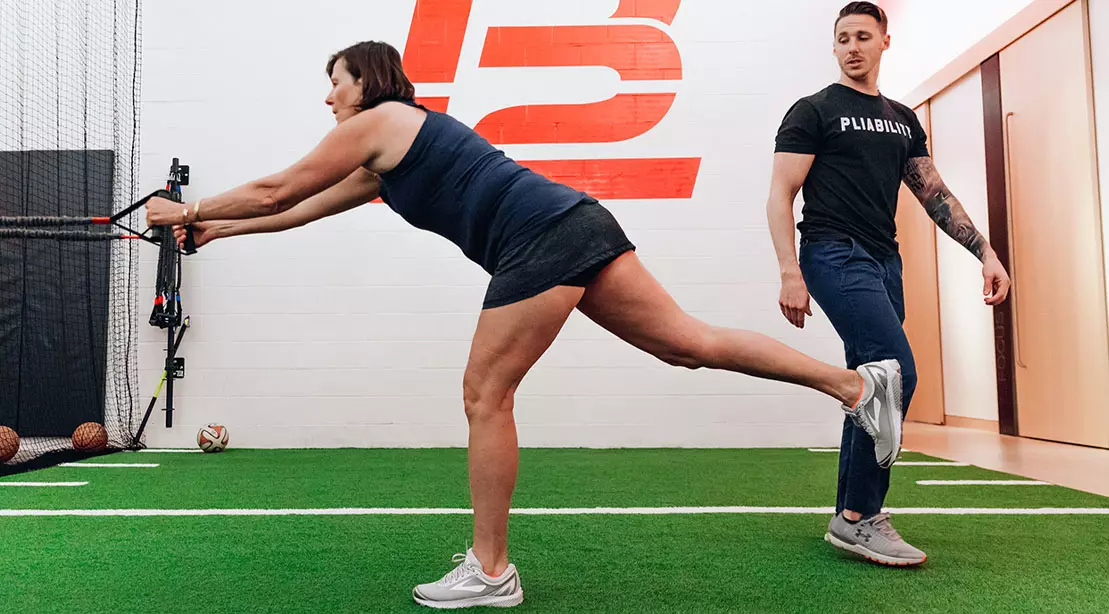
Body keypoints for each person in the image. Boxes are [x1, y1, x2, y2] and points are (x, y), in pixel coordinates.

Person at [147, 40, 904, 609]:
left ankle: (491, 570)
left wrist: (191, 208)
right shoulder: (383, 154)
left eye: (333, 83)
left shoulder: (378, 119)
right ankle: (853, 385)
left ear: (365, 80)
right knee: (687, 343)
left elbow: (277, 183)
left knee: (485, 394)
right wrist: (218, 231)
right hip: (573, 220)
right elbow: (293, 208)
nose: (328, 99)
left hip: (537, 239)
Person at [767, 2, 1011, 567]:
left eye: (863, 36)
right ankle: (862, 518)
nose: (852, 46)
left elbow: (934, 194)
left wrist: (986, 252)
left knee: (870, 381)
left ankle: (847, 515)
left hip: (884, 261)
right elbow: (781, 193)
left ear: (884, 42)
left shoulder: (902, 119)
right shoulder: (814, 110)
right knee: (897, 373)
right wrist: (789, 271)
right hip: (832, 252)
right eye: (843, 38)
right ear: (834, 48)